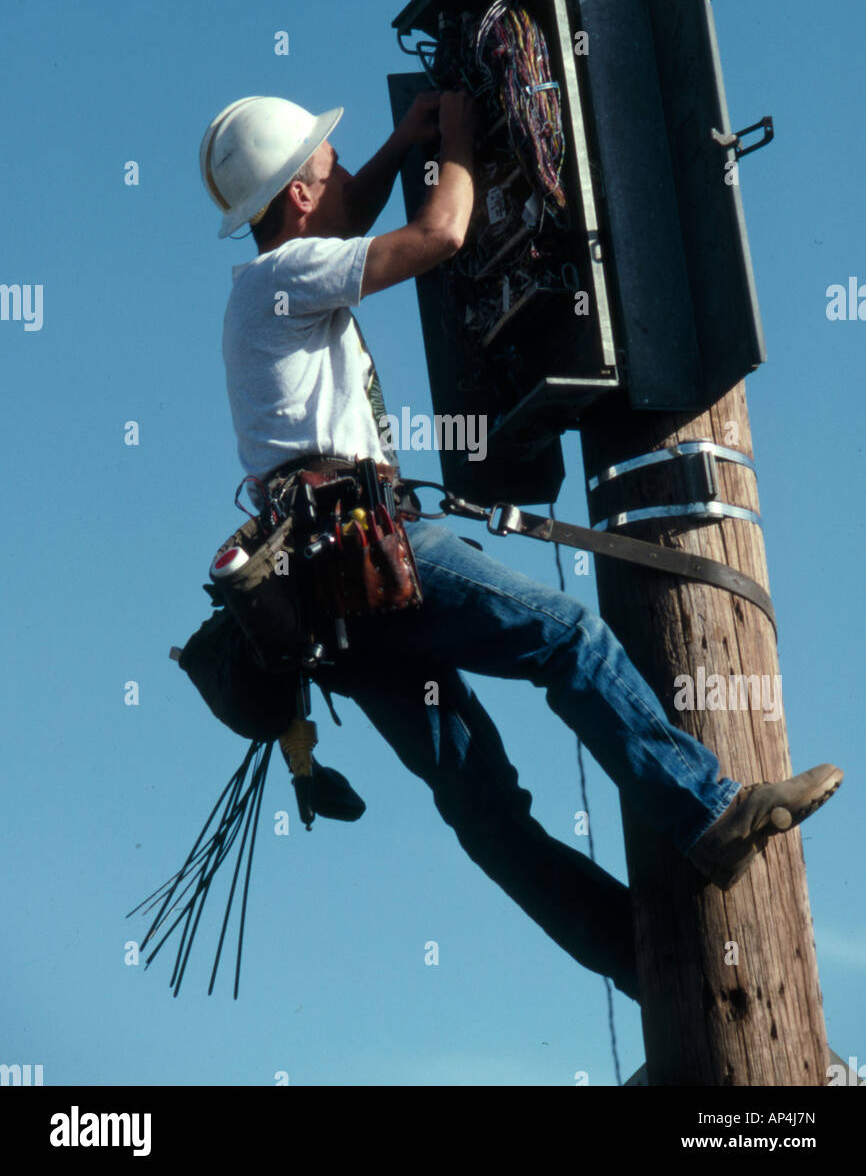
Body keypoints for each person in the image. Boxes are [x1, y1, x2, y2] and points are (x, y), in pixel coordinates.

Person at [199, 90, 843, 1002]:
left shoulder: (267, 280)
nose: (342, 175)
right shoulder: (289, 274)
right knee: (566, 635)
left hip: (331, 610)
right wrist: (456, 141)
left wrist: (400, 142)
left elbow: (345, 213)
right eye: (325, 167)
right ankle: (711, 816)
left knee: (480, 804)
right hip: (372, 549)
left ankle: (638, 962)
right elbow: (443, 237)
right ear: (297, 199)